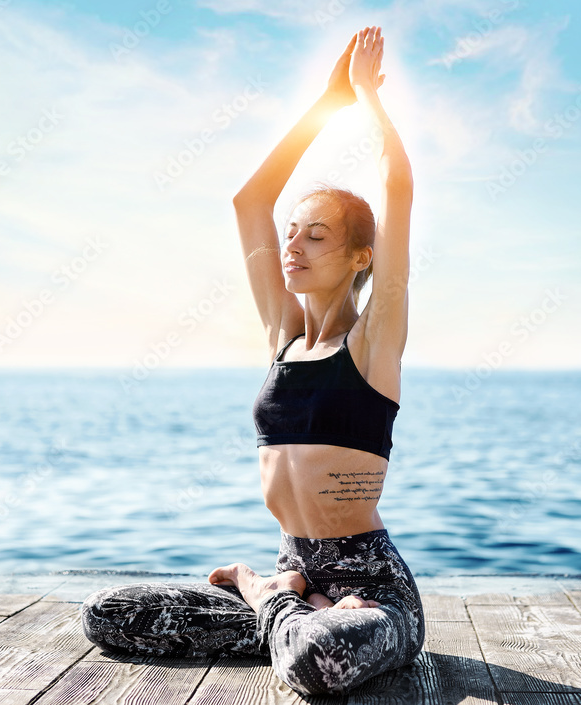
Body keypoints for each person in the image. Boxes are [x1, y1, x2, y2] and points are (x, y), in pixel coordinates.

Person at [81, 26, 423, 695]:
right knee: (110, 615)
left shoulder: (375, 339)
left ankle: (268, 597)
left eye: (315, 235)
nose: (292, 244)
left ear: (362, 256)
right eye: (291, 233)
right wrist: (327, 102)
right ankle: (288, 603)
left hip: (371, 592)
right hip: (298, 566)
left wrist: (368, 104)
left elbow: (398, 186)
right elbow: (249, 201)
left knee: (310, 664)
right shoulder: (283, 335)